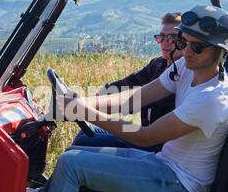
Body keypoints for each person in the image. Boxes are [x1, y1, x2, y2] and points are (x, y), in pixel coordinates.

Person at [27, 6, 228, 192]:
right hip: (164, 164)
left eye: (197, 47)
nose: (187, 51)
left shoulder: (211, 98)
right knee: (75, 154)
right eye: (184, 42)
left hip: (180, 185)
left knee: (71, 165)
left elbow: (144, 137)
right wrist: (82, 102)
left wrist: (85, 113)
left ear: (221, 52)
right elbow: (134, 98)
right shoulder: (186, 69)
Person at [71, 11, 183, 151]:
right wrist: (89, 99)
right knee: (85, 133)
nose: (165, 43)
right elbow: (125, 85)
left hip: (154, 142)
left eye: (172, 38)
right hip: (143, 131)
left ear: (183, 41)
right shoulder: (158, 64)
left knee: (83, 142)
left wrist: (82, 107)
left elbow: (133, 101)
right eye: (161, 37)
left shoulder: (180, 76)